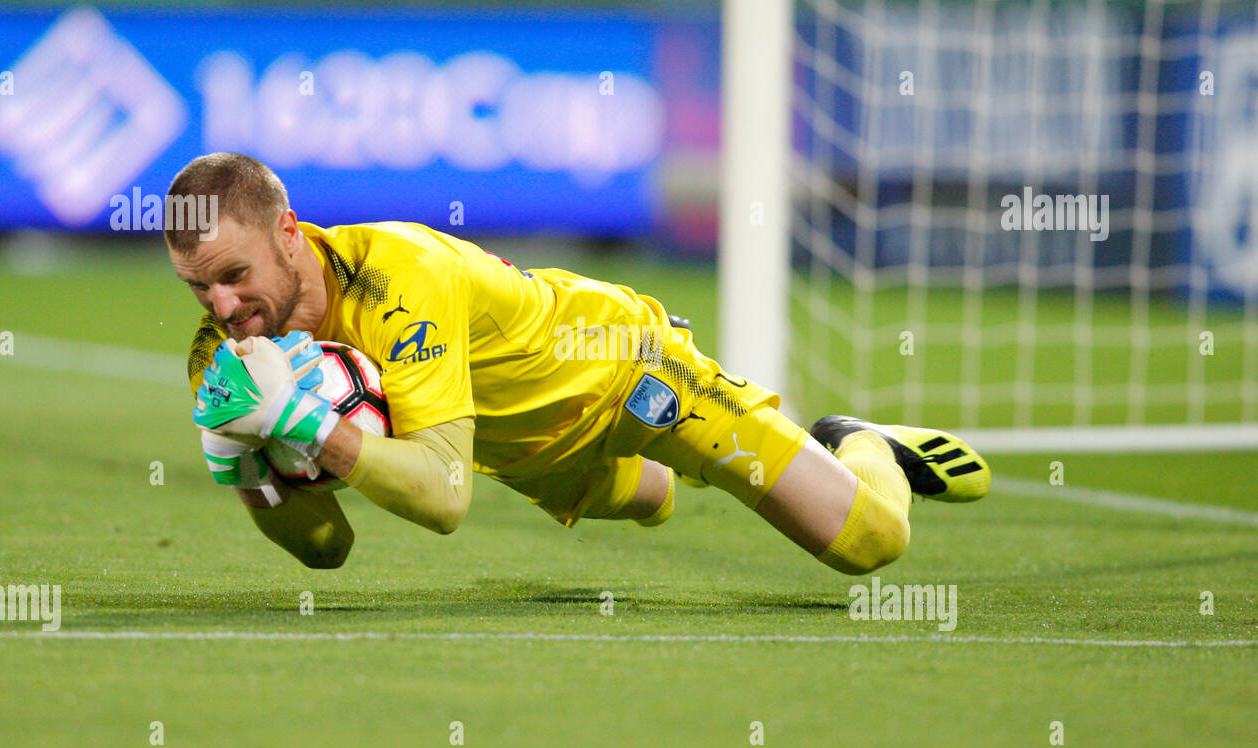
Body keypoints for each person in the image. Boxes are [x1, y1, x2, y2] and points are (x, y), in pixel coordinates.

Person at [168, 152, 990, 573]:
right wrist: (245, 470)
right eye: (199, 289)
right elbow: (325, 550)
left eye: (234, 276)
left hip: (629, 374)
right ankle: (765, 456)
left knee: (869, 544)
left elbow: (445, 499)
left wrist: (308, 427)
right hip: (528, 456)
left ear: (287, 234)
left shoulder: (399, 276)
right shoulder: (221, 356)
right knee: (659, 500)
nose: (223, 310)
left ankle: (858, 442)